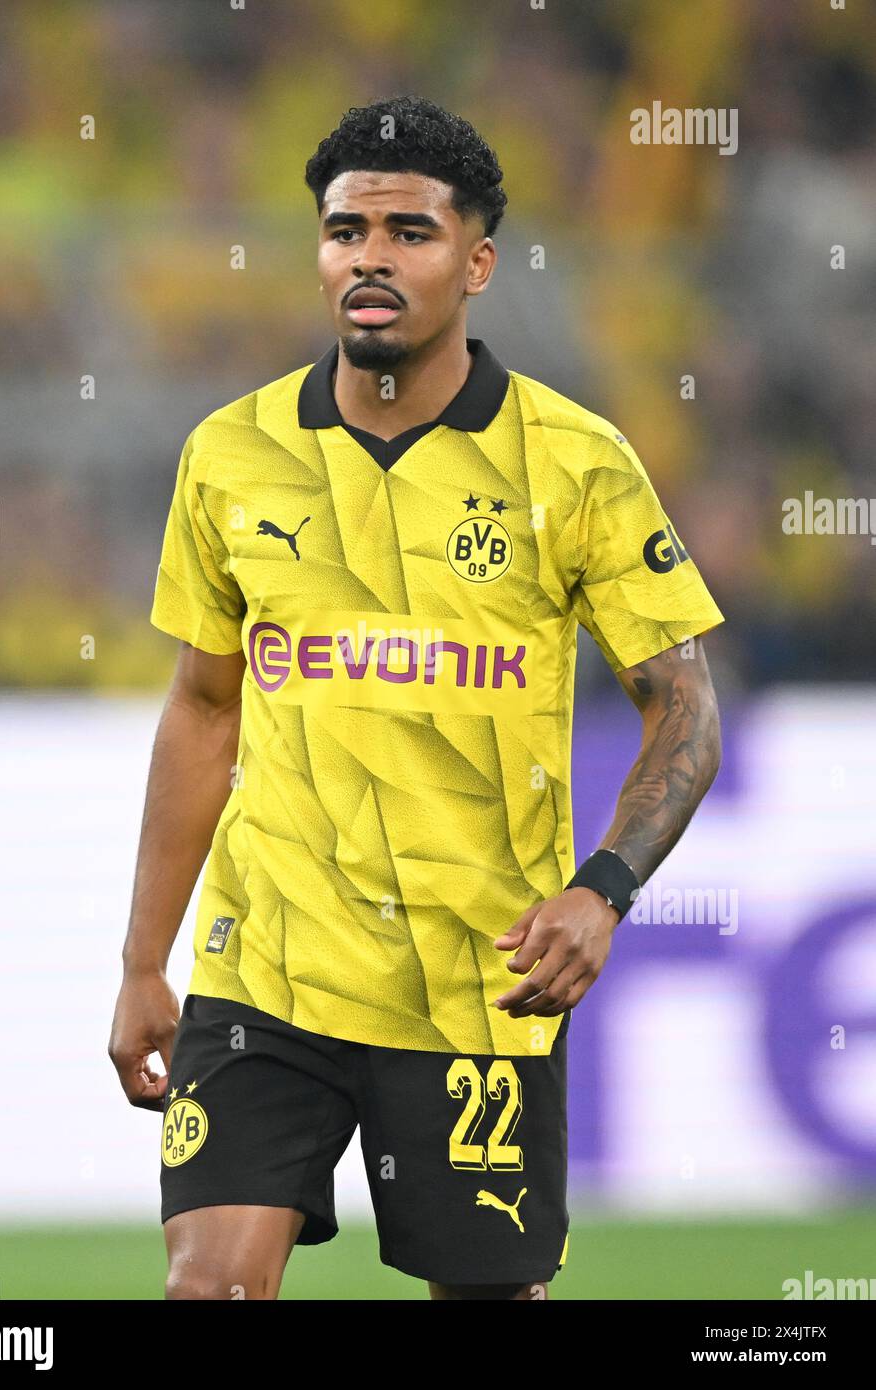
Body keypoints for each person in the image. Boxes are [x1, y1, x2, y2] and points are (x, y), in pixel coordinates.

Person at [108, 96, 725, 1301]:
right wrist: (143, 960)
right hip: (264, 970)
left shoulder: (574, 461)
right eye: (346, 231)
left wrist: (602, 891)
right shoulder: (229, 455)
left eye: (408, 232)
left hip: (477, 980)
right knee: (206, 1290)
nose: (370, 258)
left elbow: (685, 712)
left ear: (476, 260)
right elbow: (201, 709)